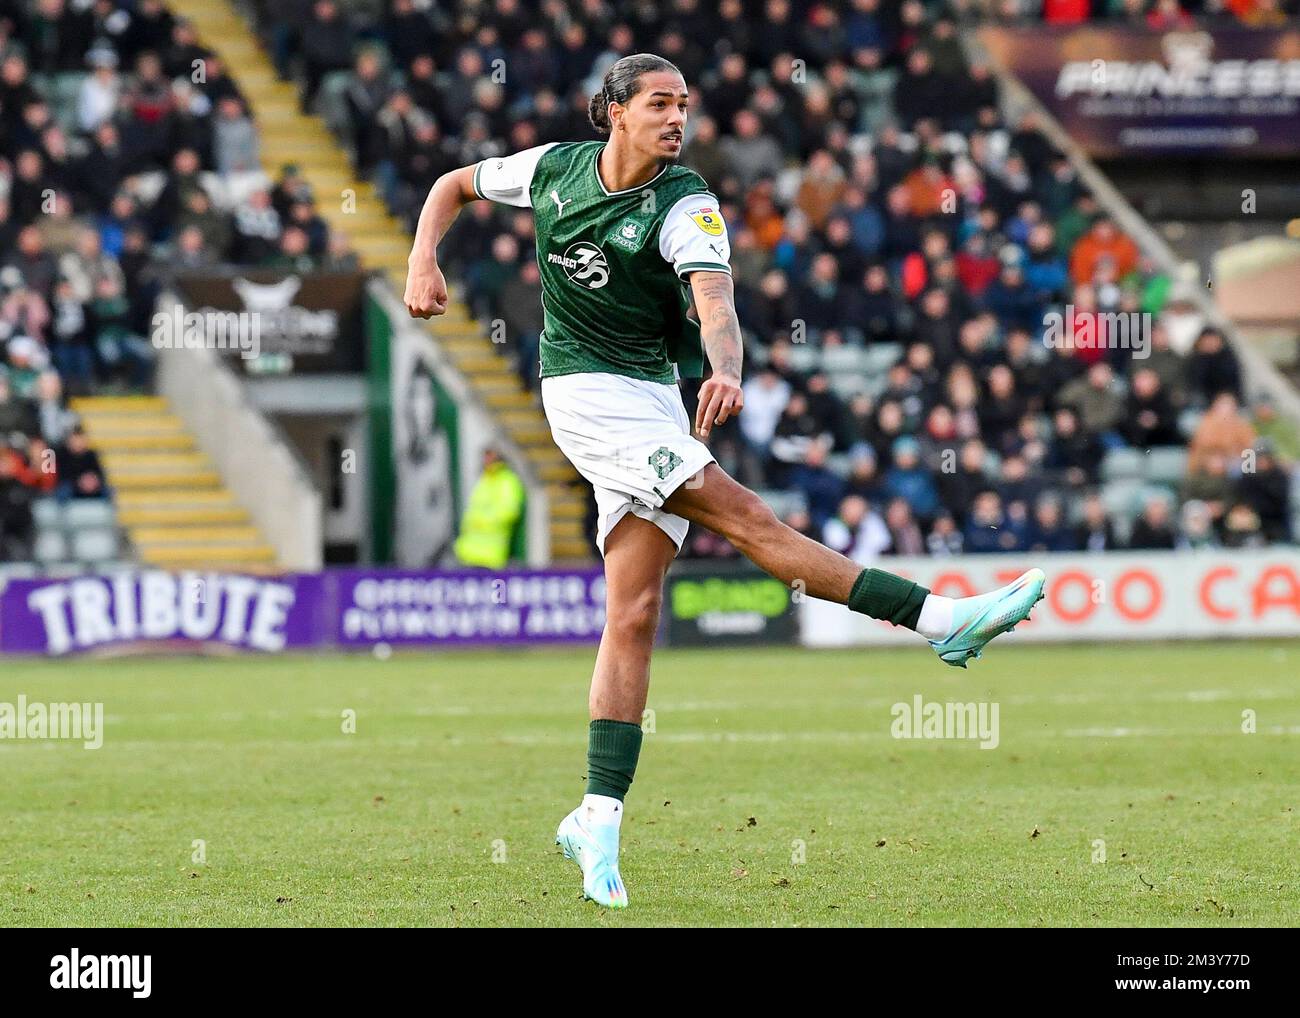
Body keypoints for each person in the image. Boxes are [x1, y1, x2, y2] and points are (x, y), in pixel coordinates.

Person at [402, 53, 1046, 911]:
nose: (676, 118)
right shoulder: (551, 169)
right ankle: (939, 620)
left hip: (655, 400)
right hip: (585, 397)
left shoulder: (686, 201)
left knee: (632, 614)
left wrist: (726, 367)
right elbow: (452, 184)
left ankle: (596, 815)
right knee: (746, 518)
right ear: (614, 113)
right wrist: (423, 262)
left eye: (684, 105)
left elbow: (716, 301)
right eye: (659, 104)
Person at [452, 448, 525, 569]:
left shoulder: (506, 481)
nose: (485, 461)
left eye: (489, 457)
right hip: (468, 552)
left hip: (490, 555)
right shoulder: (485, 479)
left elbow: (510, 510)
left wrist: (483, 521)